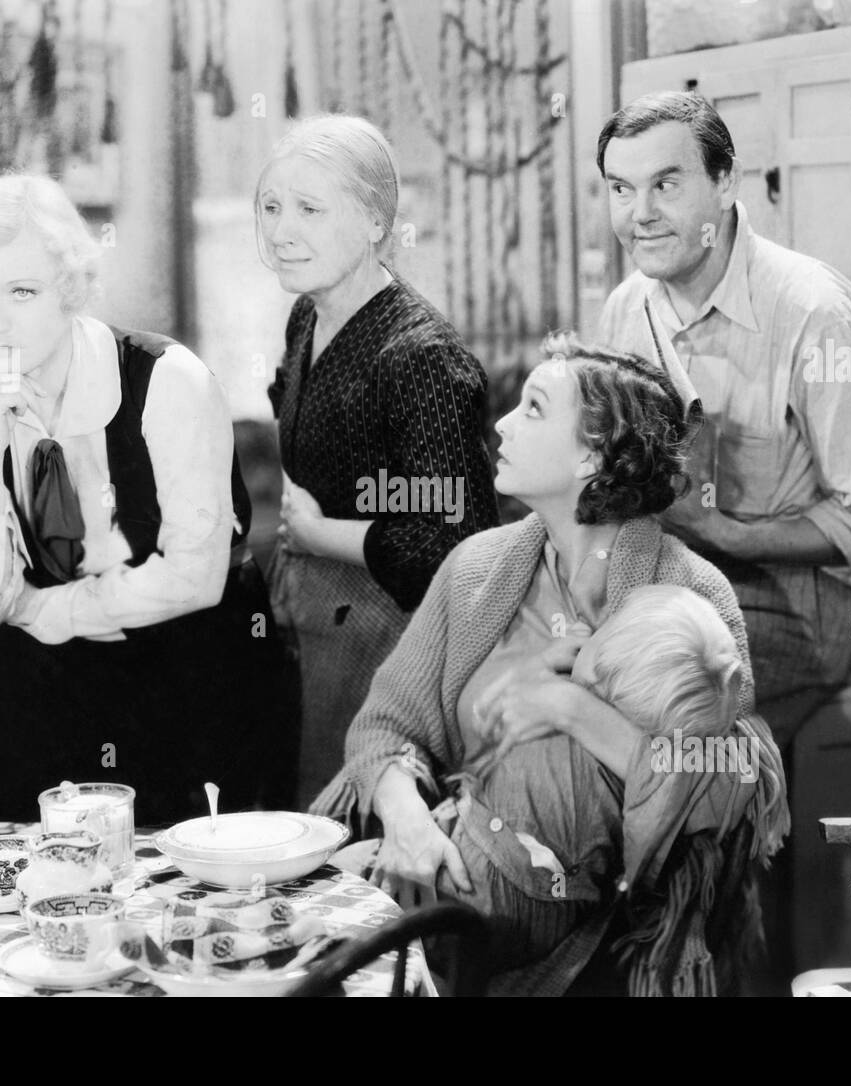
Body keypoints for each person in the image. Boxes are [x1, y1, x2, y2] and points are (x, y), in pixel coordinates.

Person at [313, 334, 787, 996]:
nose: (502, 425)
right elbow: (386, 726)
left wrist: (568, 707)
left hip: (614, 947)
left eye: (533, 409)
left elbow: (726, 783)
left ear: (593, 455)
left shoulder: (692, 592)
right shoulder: (476, 569)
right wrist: (407, 819)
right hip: (453, 894)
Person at [0, 174, 293, 825]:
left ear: (69, 290)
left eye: (21, 291)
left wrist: (52, 610)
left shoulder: (167, 380)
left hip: (189, 651)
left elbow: (195, 577)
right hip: (68, 666)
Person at [595, 91, 851, 747]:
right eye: (621, 189)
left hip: (782, 611)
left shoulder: (818, 314)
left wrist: (727, 535)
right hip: (660, 592)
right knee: (517, 682)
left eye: (666, 184)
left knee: (614, 721)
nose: (641, 215)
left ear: (724, 180)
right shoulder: (626, 308)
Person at [261, 114, 500, 805]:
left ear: (374, 222)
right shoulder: (308, 315)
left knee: (359, 861)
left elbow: (457, 546)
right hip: (310, 622)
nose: (281, 230)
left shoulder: (421, 358)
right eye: (272, 207)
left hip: (391, 644)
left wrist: (315, 533)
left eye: (309, 209)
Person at [427, 584, 773, 979]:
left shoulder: (565, 747)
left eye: (605, 628)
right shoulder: (651, 755)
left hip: (462, 907)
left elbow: (476, 747)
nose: (590, 627)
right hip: (512, 916)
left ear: (597, 676)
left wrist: (571, 704)